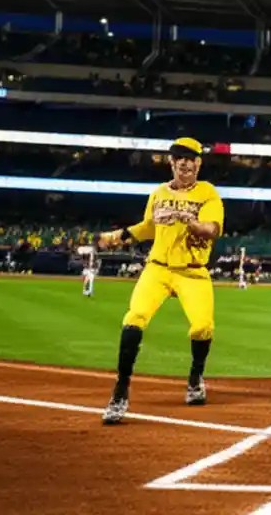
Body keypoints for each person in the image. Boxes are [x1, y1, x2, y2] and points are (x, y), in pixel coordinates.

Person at [97, 137, 224, 425]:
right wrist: (117, 237)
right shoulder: (157, 193)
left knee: (203, 327)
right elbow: (147, 227)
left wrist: (189, 221)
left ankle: (195, 378)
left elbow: (212, 229)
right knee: (134, 318)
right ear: (171, 162)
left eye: (191, 158)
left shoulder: (207, 193)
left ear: (199, 163)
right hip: (158, 268)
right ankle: (120, 391)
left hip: (192, 270)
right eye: (179, 157)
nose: (185, 162)